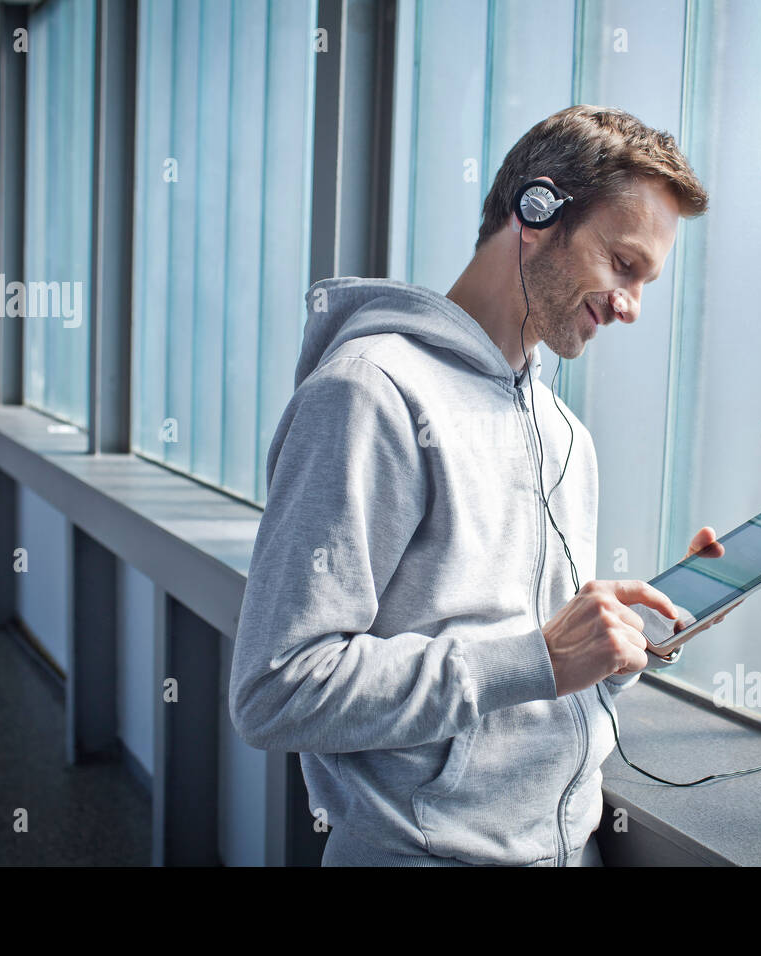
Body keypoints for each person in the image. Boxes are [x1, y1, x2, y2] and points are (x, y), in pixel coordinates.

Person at [229, 105, 732, 867]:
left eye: (645, 282)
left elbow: (538, 678)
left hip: (569, 850)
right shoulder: (367, 395)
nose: (630, 307)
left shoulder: (564, 434)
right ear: (537, 211)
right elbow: (278, 691)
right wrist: (539, 659)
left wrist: (625, 645)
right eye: (623, 265)